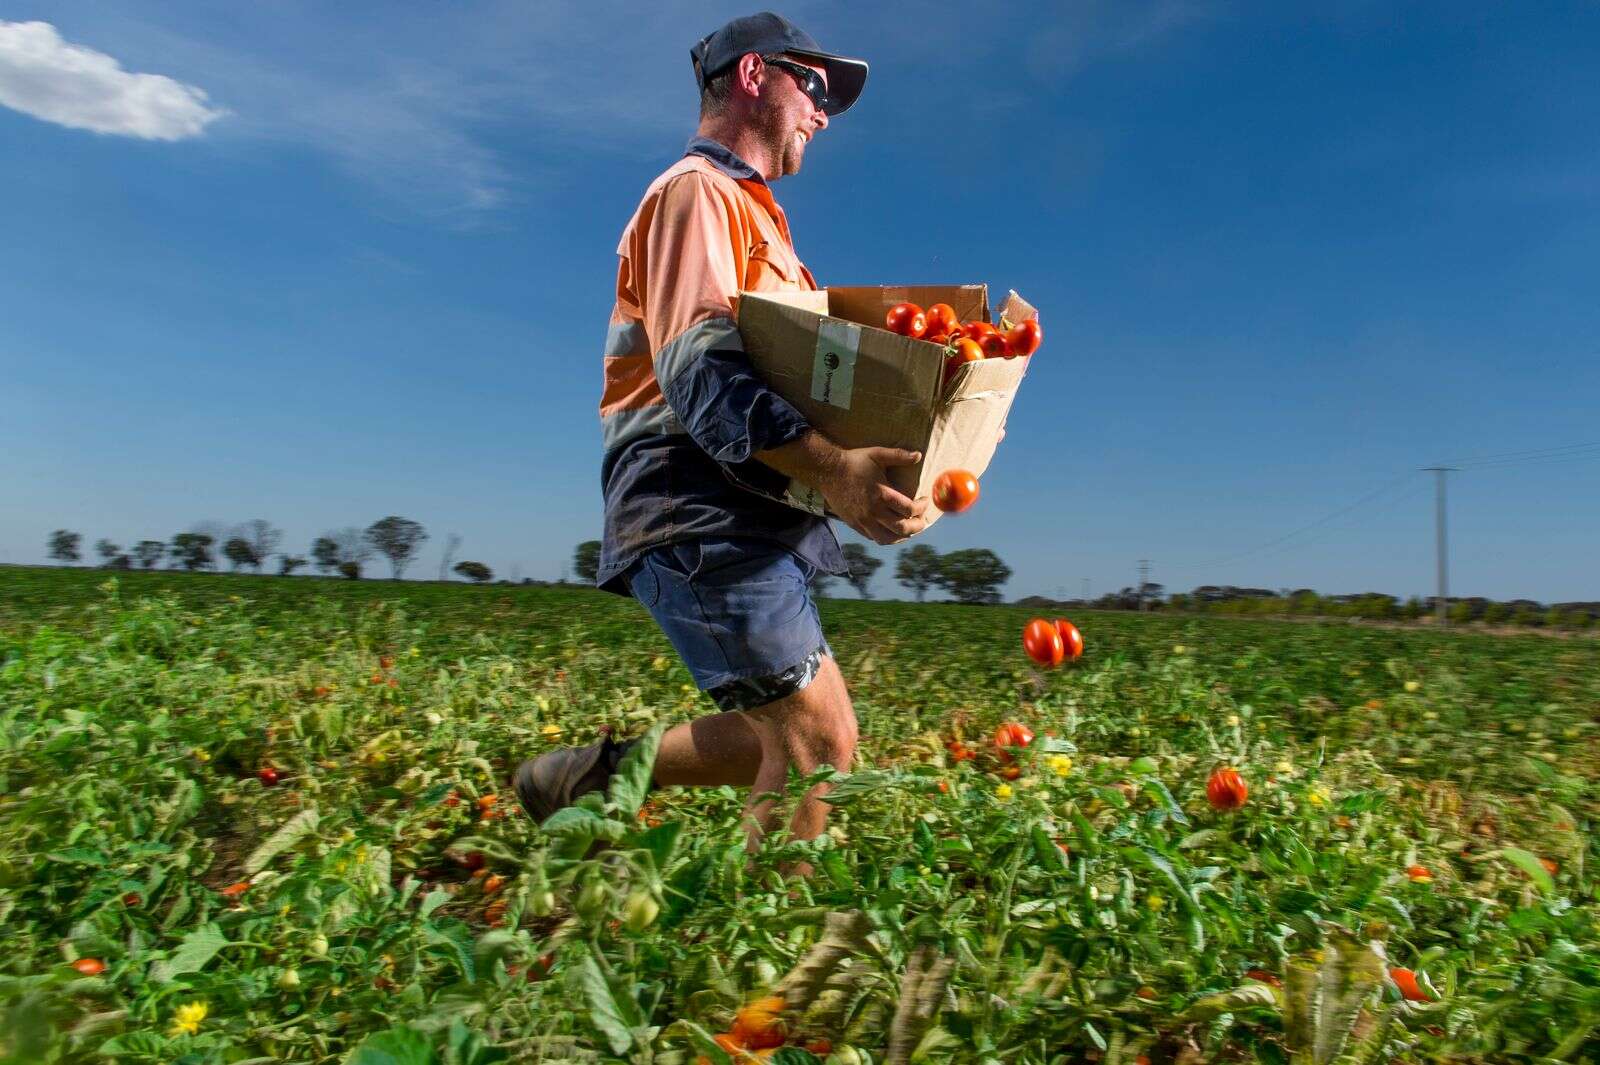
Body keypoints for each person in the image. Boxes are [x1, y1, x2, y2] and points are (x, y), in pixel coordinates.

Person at [514, 12, 930, 862]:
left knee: (775, 733)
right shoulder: (695, 192)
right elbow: (700, 370)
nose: (824, 111)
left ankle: (590, 776)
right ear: (751, 76)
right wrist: (833, 471)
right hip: (694, 496)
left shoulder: (762, 223)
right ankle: (761, 970)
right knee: (820, 742)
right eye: (812, 87)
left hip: (745, 499)